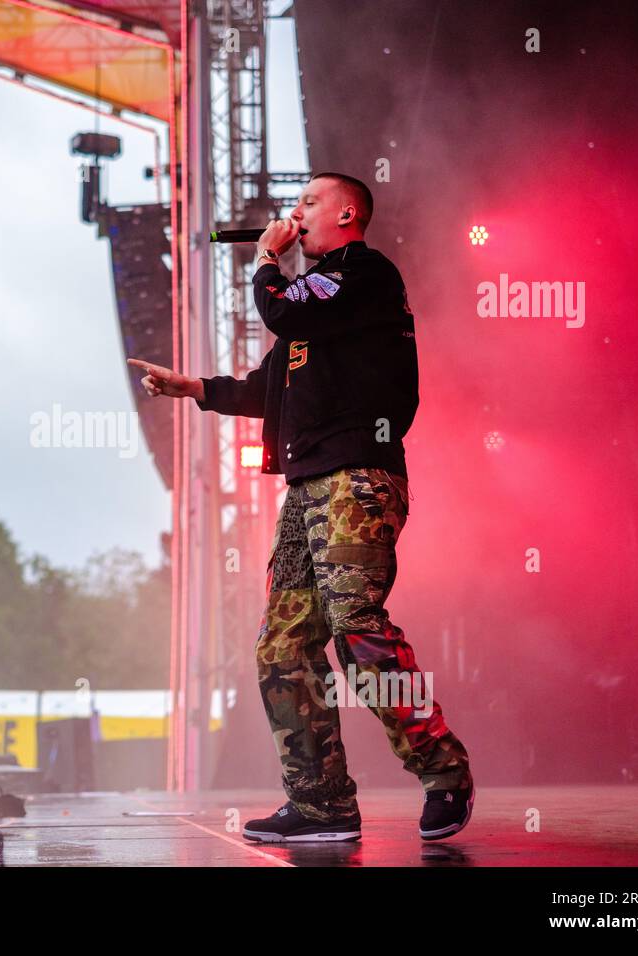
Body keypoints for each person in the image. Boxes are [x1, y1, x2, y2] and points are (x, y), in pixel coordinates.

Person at [128, 172, 474, 843]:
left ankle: (443, 769)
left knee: (357, 629)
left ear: (348, 213)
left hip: (358, 478)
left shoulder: (365, 276)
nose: (296, 211)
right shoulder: (314, 302)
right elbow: (268, 389)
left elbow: (283, 309)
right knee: (281, 645)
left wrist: (265, 259)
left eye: (309, 201)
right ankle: (321, 804)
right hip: (305, 485)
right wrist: (192, 388)